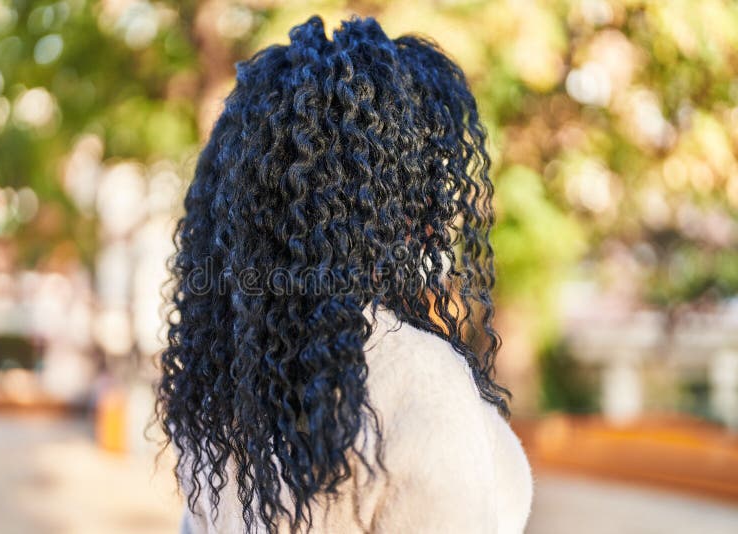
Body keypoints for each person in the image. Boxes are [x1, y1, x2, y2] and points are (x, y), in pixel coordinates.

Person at [158, 15, 533, 534]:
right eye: (427, 186)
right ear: (393, 203)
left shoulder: (221, 377)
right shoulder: (417, 382)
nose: (439, 212)